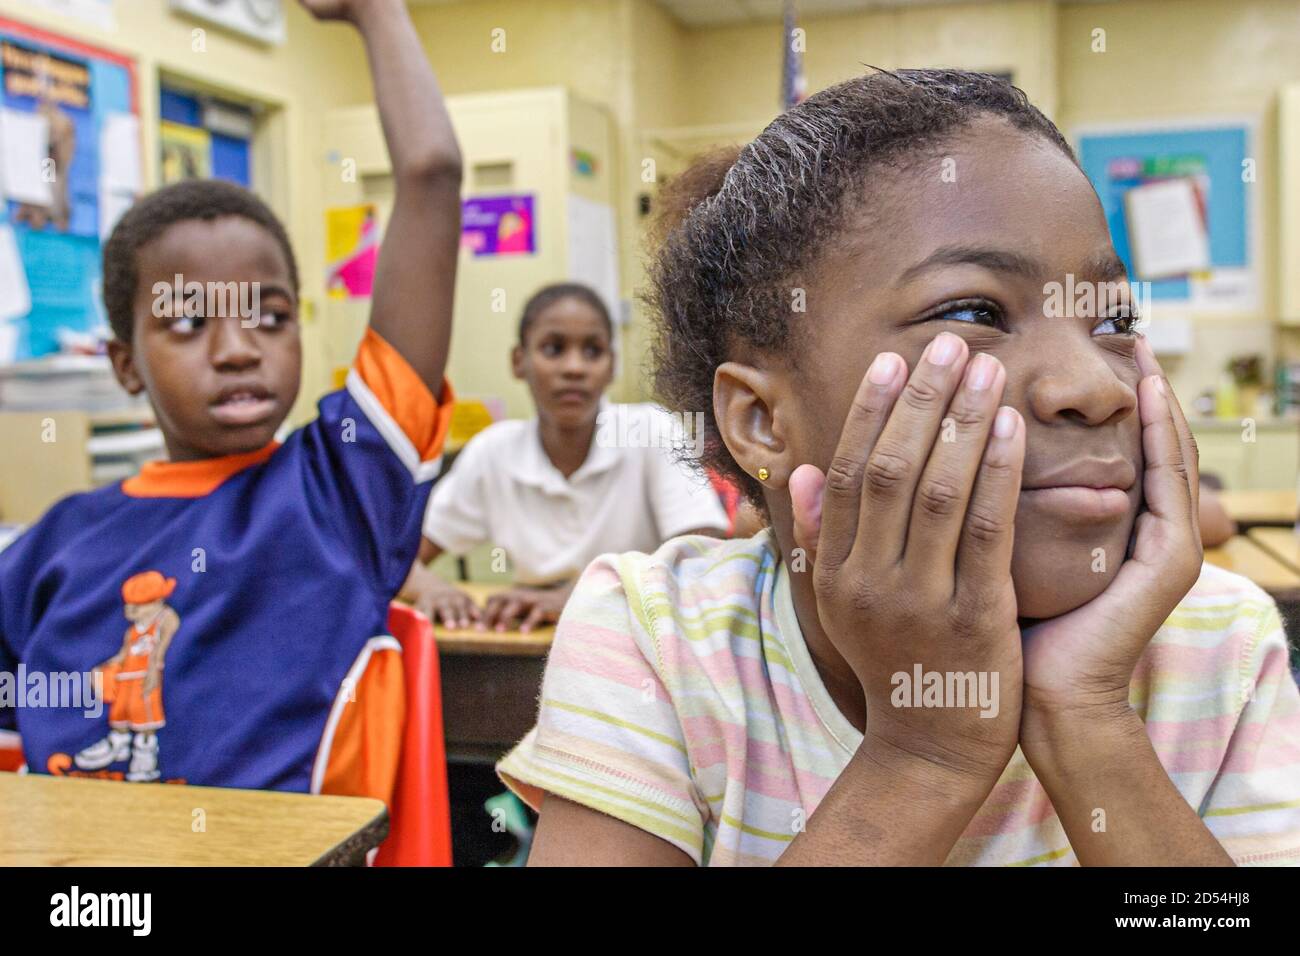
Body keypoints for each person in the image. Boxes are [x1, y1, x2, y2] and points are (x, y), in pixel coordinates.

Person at [498, 69, 1300, 866]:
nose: (1095, 385)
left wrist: (1085, 719)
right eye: (973, 312)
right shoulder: (658, 641)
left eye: (1115, 318)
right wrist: (924, 752)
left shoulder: (1218, 642)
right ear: (761, 421)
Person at [0, 0, 462, 798]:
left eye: (269, 316)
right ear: (125, 365)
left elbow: (431, 174)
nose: (239, 345)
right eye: (187, 321)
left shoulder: (343, 489)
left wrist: (373, 12)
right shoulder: (50, 550)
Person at [402, 283, 728, 632]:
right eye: (554, 348)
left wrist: (576, 598)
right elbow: (398, 558)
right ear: (519, 361)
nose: (574, 367)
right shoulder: (492, 451)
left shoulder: (650, 428)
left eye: (592, 351)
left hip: (638, 629)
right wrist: (434, 589)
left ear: (611, 366)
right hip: (533, 634)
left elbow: (702, 552)